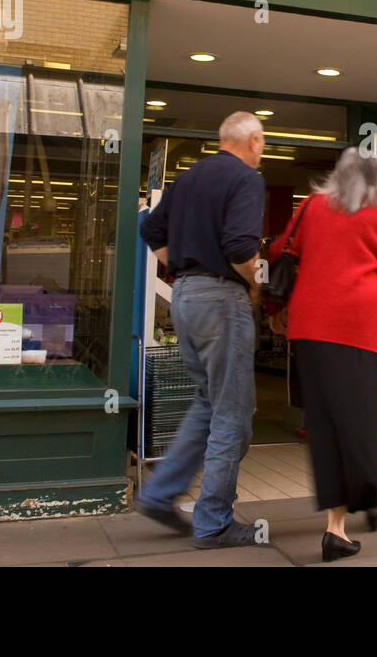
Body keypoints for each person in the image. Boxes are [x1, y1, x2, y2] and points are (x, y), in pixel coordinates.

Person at [266, 148, 377, 562]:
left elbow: (278, 253)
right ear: (376, 183)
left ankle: (357, 507)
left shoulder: (312, 208)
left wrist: (273, 311)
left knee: (326, 426)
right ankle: (349, 513)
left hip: (310, 332)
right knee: (357, 424)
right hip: (357, 332)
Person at [135, 111, 266, 548]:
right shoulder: (246, 179)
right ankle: (213, 522)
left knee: (209, 403)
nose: (262, 150)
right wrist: (254, 284)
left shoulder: (188, 178)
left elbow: (150, 229)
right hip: (220, 300)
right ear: (251, 140)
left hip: (185, 298)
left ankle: (158, 492)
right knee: (234, 414)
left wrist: (182, 270)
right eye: (262, 142)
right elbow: (239, 248)